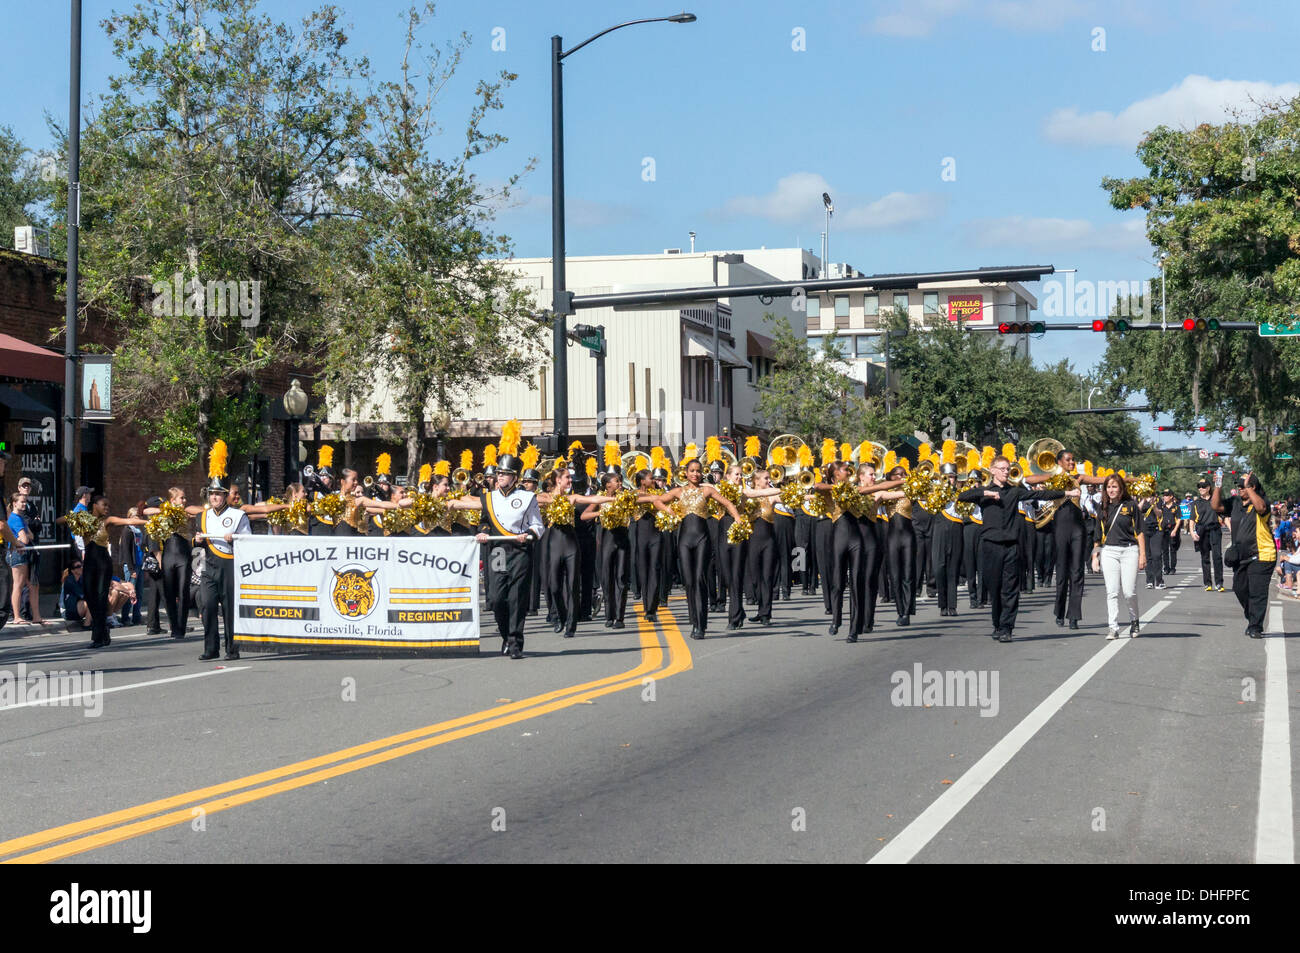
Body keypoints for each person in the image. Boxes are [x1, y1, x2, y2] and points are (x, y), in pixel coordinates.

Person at [957, 456, 1077, 642]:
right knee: (994, 588)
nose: (1006, 472)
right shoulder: (984, 492)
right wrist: (987, 494)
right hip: (990, 546)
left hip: (1011, 546)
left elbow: (1040, 495)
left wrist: (1066, 493)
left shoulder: (1014, 491)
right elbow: (962, 496)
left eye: (1008, 468)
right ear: (992, 470)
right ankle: (997, 624)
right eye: (1002, 468)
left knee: (1010, 589)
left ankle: (1007, 628)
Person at [461, 453, 545, 659]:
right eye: (499, 473)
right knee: (497, 598)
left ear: (515, 477)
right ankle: (506, 635)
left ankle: (515, 643)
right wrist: (482, 531)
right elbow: (484, 522)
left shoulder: (527, 498)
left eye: (505, 474)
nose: (500, 477)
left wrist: (529, 536)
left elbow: (538, 525)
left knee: (516, 598)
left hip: (519, 551)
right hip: (497, 549)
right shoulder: (488, 497)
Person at [651, 458, 741, 640]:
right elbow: (658, 501)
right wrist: (671, 513)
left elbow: (728, 503)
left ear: (702, 473)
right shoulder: (678, 491)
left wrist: (738, 520)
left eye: (698, 471)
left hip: (702, 539)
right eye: (692, 470)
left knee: (700, 578)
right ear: (686, 473)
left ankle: (701, 625)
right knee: (689, 581)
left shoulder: (707, 490)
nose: (695, 474)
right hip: (684, 540)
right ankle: (694, 620)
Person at [55, 494, 147, 648]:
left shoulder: (107, 521)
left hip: (103, 562)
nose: (106, 508)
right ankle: (103, 630)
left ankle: (98, 637)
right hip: (89, 562)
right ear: (95, 505)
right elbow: (59, 521)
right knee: (90, 598)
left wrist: (147, 522)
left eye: (108, 506)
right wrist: (76, 515)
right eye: (104, 504)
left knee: (101, 596)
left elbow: (128, 520)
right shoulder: (84, 519)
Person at [195, 463, 252, 661]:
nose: (214, 498)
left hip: (229, 566)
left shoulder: (238, 516)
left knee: (229, 609)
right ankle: (210, 648)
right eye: (212, 494)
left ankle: (232, 649)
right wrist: (197, 540)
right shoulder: (201, 516)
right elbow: (195, 544)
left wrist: (234, 539)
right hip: (208, 567)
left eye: (218, 494)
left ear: (225, 495)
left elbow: (248, 542)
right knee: (208, 606)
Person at [1211, 471, 1275, 639]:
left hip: (1262, 555)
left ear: (1252, 486)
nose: (1239, 489)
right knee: (1240, 589)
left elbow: (1261, 508)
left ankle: (1255, 627)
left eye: (1242, 486)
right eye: (1238, 486)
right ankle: (1252, 616)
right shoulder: (1236, 503)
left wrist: (1249, 488)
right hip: (1240, 556)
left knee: (1257, 592)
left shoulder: (1262, 501)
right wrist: (1218, 485)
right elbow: (1216, 506)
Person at [1090, 473, 1146, 639]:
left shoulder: (1130, 505)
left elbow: (1140, 532)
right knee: (1112, 592)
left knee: (1129, 592)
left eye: (1114, 487)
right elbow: (1097, 536)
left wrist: (1142, 555)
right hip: (1109, 552)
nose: (1111, 490)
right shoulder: (1102, 508)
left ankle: (1134, 620)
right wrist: (1095, 557)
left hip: (1129, 551)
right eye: (1108, 487)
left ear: (1121, 489)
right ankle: (1113, 628)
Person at [7, 491, 45, 626]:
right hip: (18, 553)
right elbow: (25, 538)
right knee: (18, 584)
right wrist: (23, 536)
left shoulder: (22, 518)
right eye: (21, 502)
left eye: (25, 502)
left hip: (26, 552)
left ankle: (36, 616)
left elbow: (31, 536)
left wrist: (25, 536)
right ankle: (16, 616)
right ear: (14, 503)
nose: (24, 504)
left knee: (33, 584)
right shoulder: (14, 518)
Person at [1190, 480, 1225, 591]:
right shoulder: (1196, 502)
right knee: (1205, 557)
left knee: (1217, 556)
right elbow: (1192, 519)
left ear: (1209, 488)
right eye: (1199, 486)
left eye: (1203, 486)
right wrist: (1192, 532)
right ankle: (1207, 583)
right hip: (1202, 530)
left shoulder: (1215, 500)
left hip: (1215, 529)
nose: (1201, 488)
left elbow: (1224, 515)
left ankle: (1219, 583)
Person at [1140, 495, 1166, 590]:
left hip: (1156, 529)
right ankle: (1149, 580)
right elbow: (1136, 511)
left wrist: (1153, 505)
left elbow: (1159, 514)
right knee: (1147, 555)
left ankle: (1159, 580)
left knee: (1157, 554)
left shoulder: (1158, 499)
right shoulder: (1140, 498)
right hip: (1144, 529)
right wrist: (1143, 500)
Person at [61, 560, 91, 628]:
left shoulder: (82, 579)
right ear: (72, 570)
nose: (81, 567)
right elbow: (81, 595)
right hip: (70, 611)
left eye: (81, 565)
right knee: (91, 602)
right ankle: (87, 624)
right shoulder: (69, 580)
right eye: (78, 566)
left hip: (78, 607)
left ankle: (105, 621)